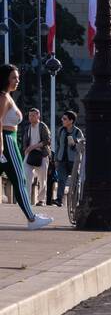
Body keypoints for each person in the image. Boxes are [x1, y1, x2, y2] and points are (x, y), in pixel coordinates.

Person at [0, 65, 53, 228]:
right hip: (7, 141)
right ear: (5, 79)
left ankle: (32, 217)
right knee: (20, 179)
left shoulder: (7, 96)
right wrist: (1, 145)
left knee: (19, 179)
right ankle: (32, 219)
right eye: (13, 78)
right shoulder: (3, 97)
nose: (17, 81)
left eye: (17, 77)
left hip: (10, 140)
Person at [18, 107, 51, 208]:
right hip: (30, 155)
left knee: (42, 178)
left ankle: (41, 200)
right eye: (29, 115)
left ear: (38, 116)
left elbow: (47, 141)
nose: (31, 117)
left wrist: (34, 146)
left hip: (42, 155)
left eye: (33, 115)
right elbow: (25, 140)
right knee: (25, 176)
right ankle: (26, 199)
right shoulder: (28, 127)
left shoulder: (42, 126)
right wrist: (26, 149)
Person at [54, 110, 84, 208]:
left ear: (71, 121)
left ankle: (76, 200)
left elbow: (82, 146)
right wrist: (56, 159)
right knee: (61, 179)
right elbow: (58, 145)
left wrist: (74, 145)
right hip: (62, 159)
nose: (62, 120)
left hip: (74, 160)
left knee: (75, 181)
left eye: (65, 119)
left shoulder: (77, 132)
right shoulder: (61, 130)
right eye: (62, 118)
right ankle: (59, 199)